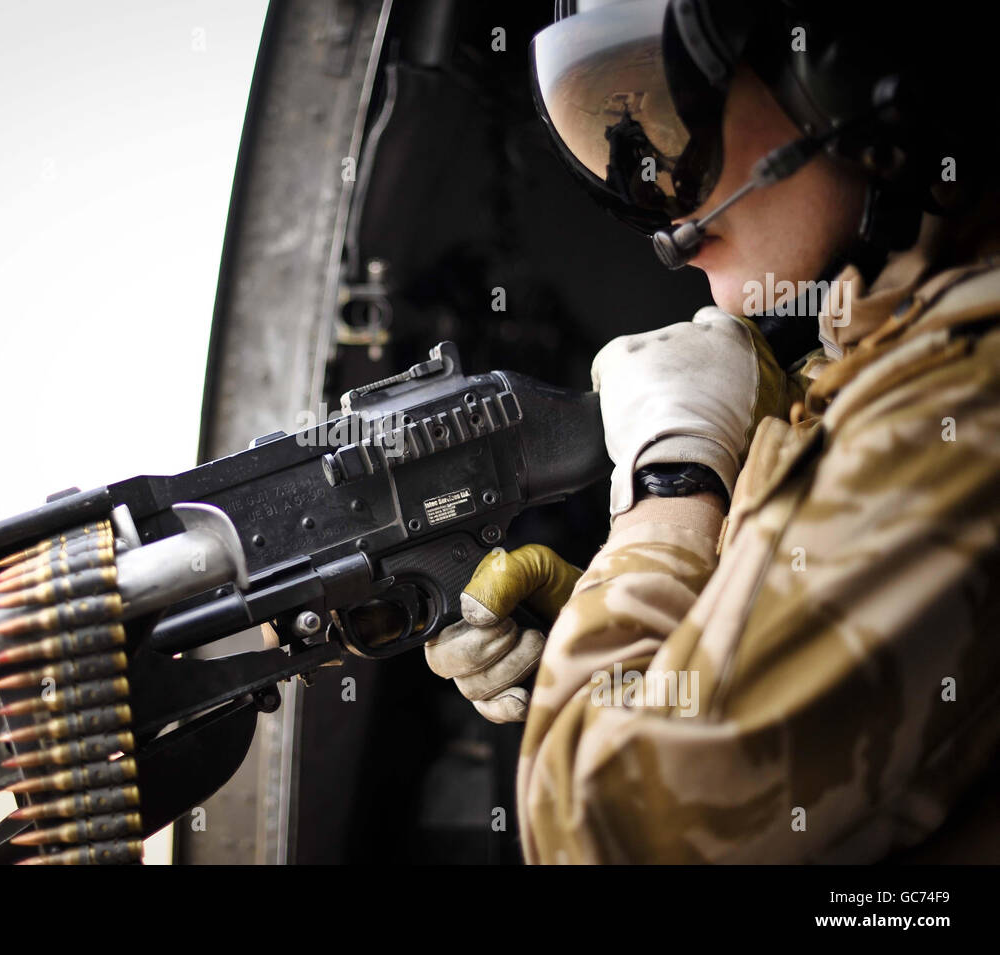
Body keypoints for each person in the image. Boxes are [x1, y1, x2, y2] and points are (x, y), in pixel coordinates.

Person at [424, 0, 1000, 862]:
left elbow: (601, 833)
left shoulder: (963, 393)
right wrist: (628, 617)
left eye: (672, 120)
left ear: (841, 69)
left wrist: (671, 485)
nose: (661, 212)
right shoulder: (886, 348)